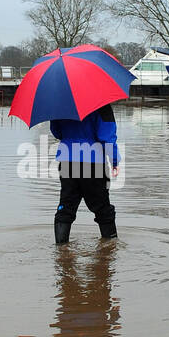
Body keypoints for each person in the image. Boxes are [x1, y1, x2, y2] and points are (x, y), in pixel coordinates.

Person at [50, 103, 119, 243]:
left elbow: (57, 132)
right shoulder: (102, 104)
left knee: (66, 207)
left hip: (67, 161)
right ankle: (110, 249)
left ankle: (61, 250)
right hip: (94, 163)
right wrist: (115, 161)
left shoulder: (59, 104)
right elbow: (107, 136)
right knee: (103, 208)